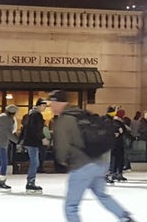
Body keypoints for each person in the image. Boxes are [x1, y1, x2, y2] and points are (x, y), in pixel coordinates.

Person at [49, 90, 135, 222]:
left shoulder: (64, 120)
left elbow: (62, 146)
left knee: (71, 206)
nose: (51, 106)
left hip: (81, 166)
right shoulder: (82, 114)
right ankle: (125, 217)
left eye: (52, 102)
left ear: (59, 102)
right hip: (98, 163)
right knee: (102, 195)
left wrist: (62, 161)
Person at [0, 104, 20, 190]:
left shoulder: (1, 117)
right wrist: (17, 141)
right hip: (1, 144)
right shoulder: (9, 120)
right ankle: (2, 182)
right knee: (4, 162)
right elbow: (8, 133)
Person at [21, 99, 48, 193]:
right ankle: (30, 183)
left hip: (31, 141)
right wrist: (42, 138)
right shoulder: (36, 115)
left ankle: (31, 181)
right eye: (44, 106)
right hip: (32, 142)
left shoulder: (32, 114)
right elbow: (35, 128)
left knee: (35, 162)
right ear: (39, 106)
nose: (45, 108)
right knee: (35, 162)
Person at [104, 106, 128, 184]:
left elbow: (123, 130)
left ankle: (114, 174)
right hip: (111, 143)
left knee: (117, 159)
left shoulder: (114, 120)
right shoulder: (108, 120)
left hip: (116, 143)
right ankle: (109, 174)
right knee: (112, 159)